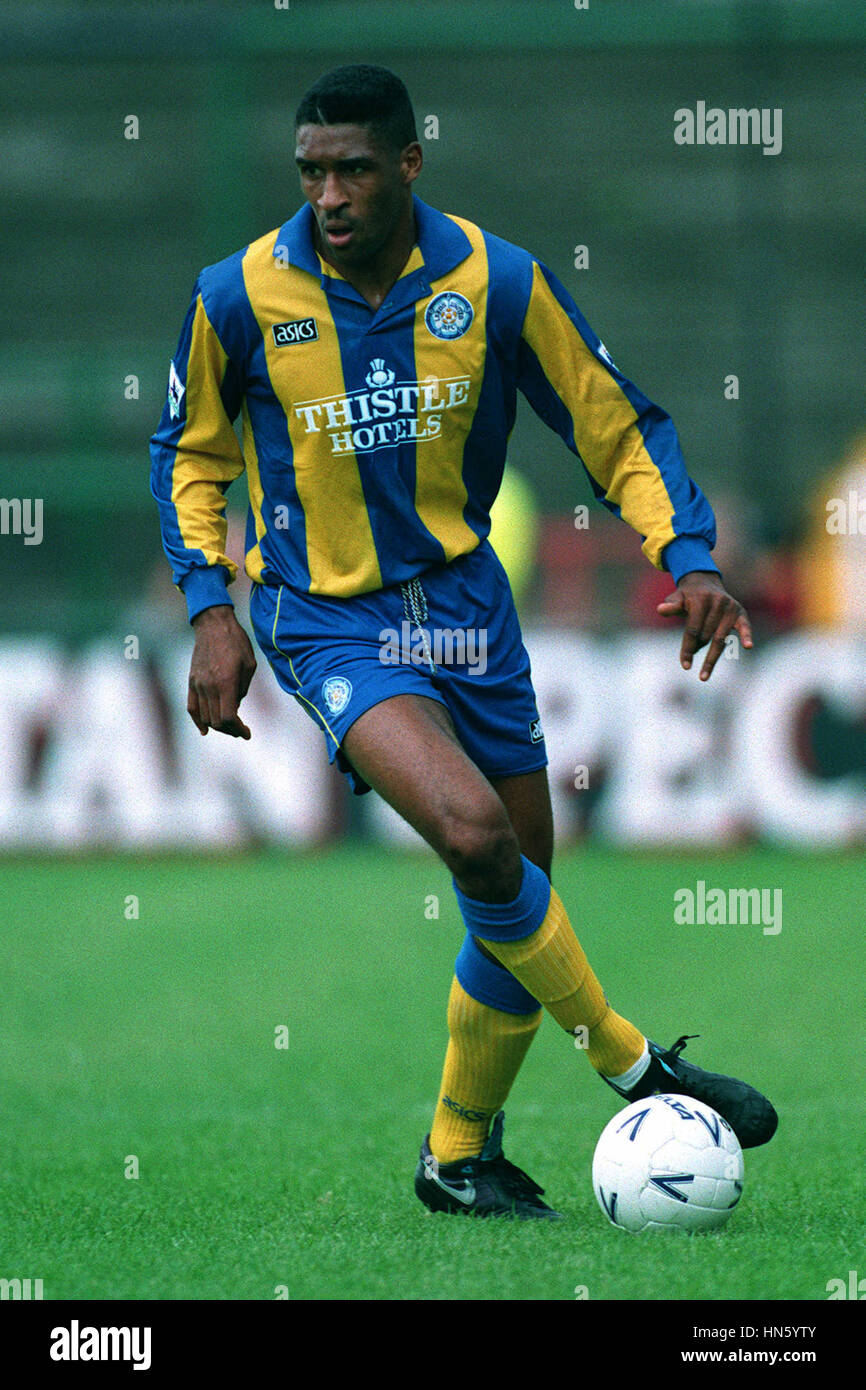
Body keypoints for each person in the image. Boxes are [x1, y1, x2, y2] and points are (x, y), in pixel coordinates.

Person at [150, 64, 777, 1220]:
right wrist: (208, 606)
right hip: (324, 614)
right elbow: (190, 453)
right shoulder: (239, 294)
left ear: (407, 165)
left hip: (466, 613)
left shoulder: (494, 281)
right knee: (476, 837)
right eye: (310, 172)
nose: (327, 195)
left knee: (517, 881)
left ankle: (456, 1158)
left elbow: (608, 416)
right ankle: (635, 1066)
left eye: (350, 170)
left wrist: (683, 553)